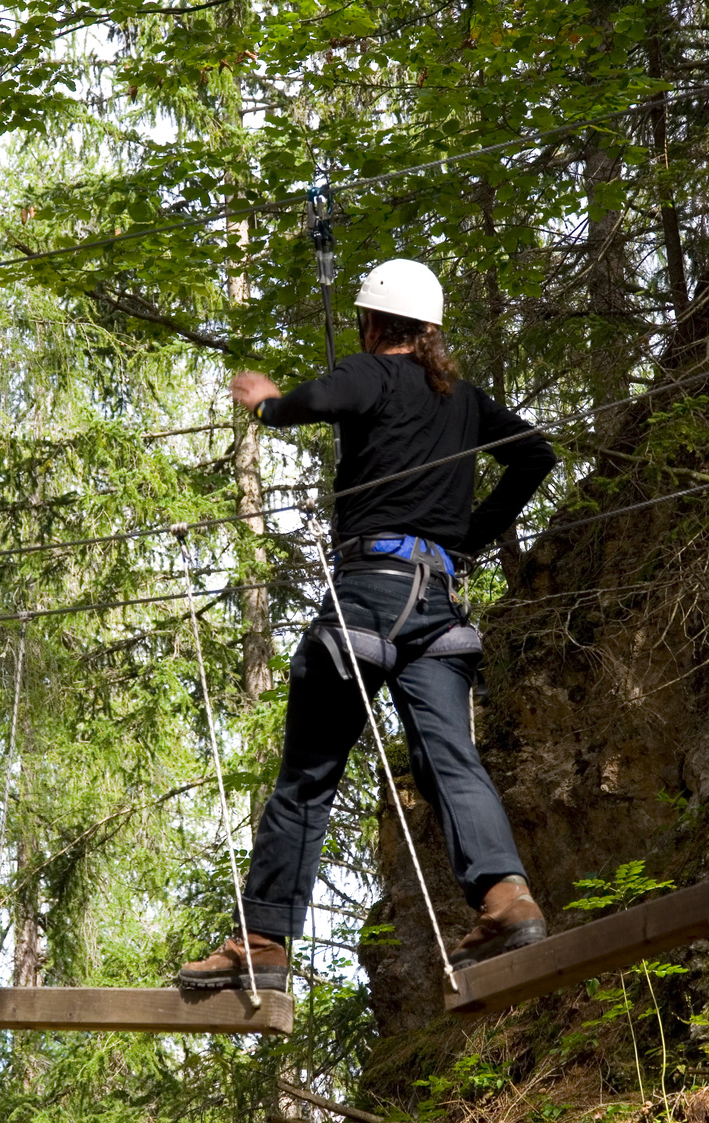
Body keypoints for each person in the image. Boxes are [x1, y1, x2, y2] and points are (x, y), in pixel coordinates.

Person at [177, 259, 558, 992]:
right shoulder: (464, 399)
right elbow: (536, 454)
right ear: (431, 330)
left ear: (373, 323)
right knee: (450, 760)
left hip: (367, 596)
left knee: (307, 775)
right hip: (437, 607)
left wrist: (265, 404)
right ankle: (507, 899)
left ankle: (263, 939)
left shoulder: (371, 373)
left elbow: (316, 398)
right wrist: (471, 534)